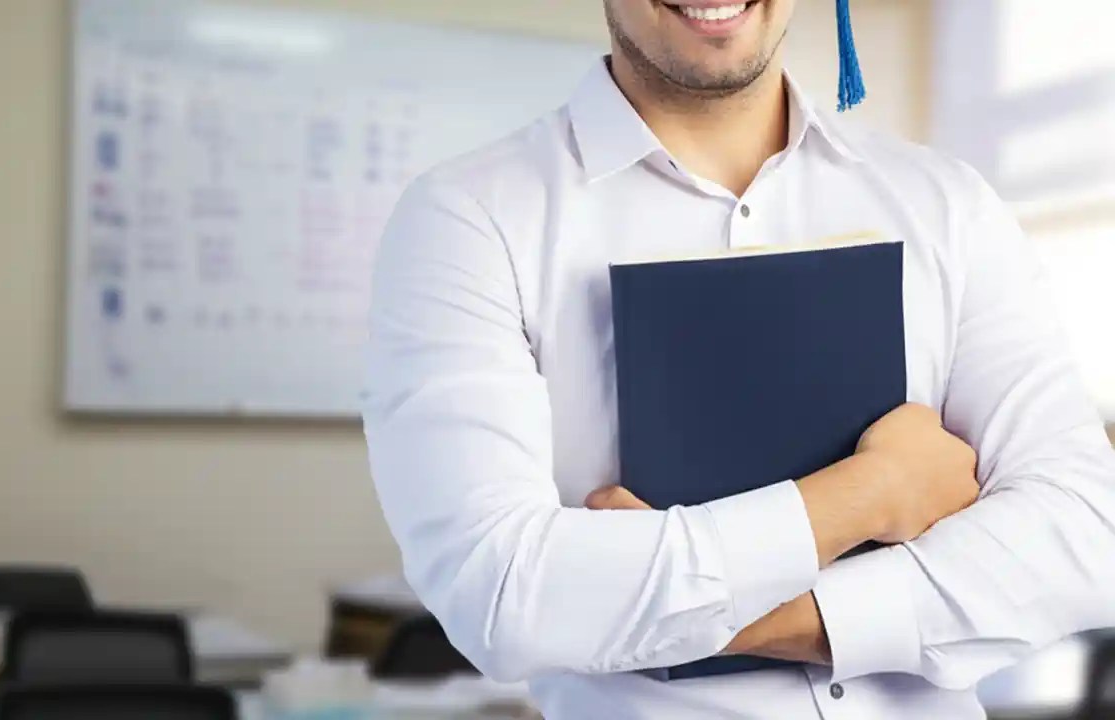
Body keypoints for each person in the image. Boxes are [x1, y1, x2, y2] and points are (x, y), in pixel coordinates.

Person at [361, 0, 1115, 717]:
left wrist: (704, 615)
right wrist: (877, 490)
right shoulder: (472, 220)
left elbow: (1084, 529)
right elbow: (501, 596)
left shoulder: (946, 205)